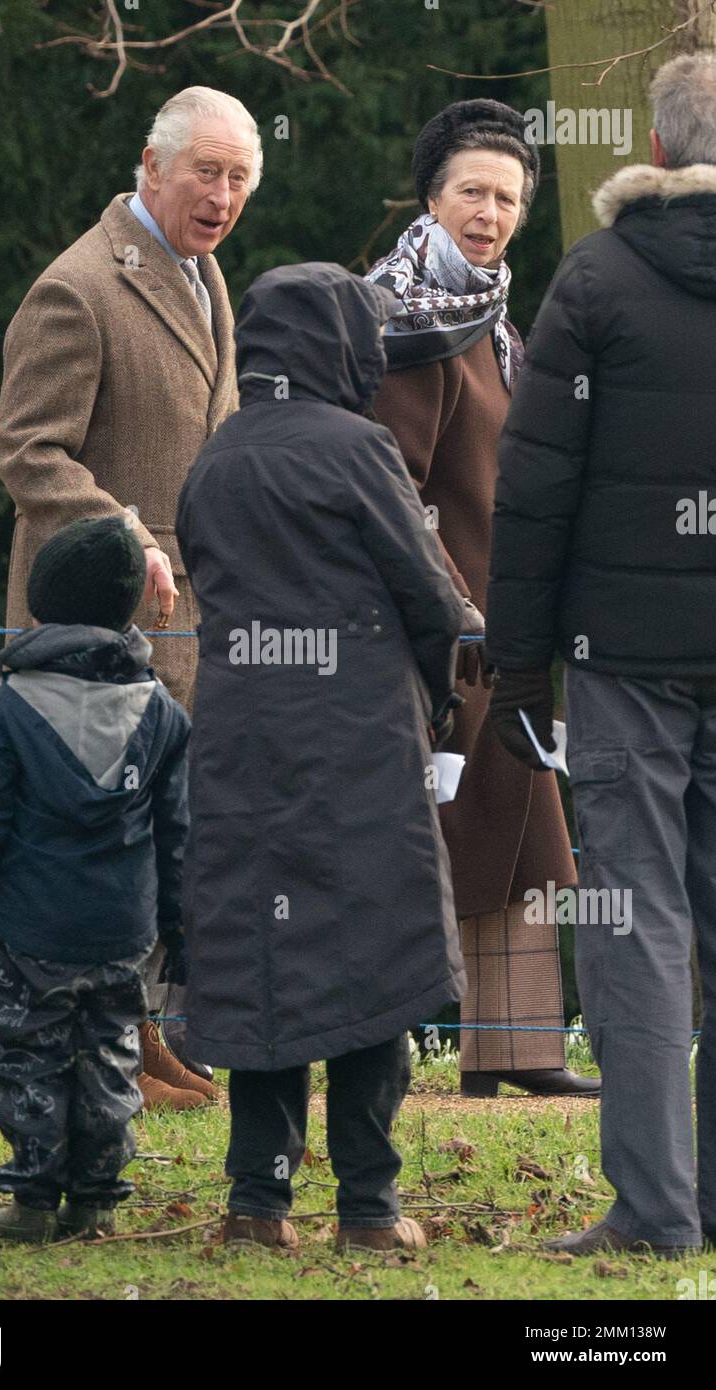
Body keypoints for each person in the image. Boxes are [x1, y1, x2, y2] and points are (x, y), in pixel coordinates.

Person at [176, 262, 467, 1253]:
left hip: (239, 746)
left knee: (262, 960)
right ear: (341, 346)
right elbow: (428, 596)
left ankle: (255, 1205)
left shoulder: (212, 460)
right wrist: (451, 685)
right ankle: (368, 1210)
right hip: (356, 743)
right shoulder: (358, 450)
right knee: (367, 957)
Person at [486, 54, 716, 1257]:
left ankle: (653, 1210)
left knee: (634, 928)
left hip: (621, 660)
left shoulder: (595, 277)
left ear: (657, 148)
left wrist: (518, 663)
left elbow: (531, 491)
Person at [0, 86, 262, 1096]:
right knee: (82, 832)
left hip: (182, 621)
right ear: (151, 166)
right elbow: (27, 452)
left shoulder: (205, 276)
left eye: (238, 178)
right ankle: (54, 1041)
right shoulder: (79, 287)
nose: (223, 194)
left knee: (156, 825)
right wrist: (115, 530)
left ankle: (130, 1031)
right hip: (91, 624)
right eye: (206, 171)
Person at [365, 100, 596, 1099]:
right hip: (434, 626)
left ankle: (513, 1050)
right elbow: (391, 488)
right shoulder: (403, 325)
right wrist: (451, 611)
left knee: (523, 817)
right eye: (471, 191)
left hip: (500, 624)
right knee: (423, 833)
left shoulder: (490, 320)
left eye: (506, 197)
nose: (489, 212)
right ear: (430, 196)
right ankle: (356, 1039)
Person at [0, 516, 203, 1244]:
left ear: (42, 604)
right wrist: (181, 928)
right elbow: (179, 838)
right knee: (112, 1056)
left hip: (30, 933)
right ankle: (96, 1200)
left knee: (29, 1059)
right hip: (122, 931)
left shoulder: (11, 708)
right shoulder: (163, 714)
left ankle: (32, 1199)